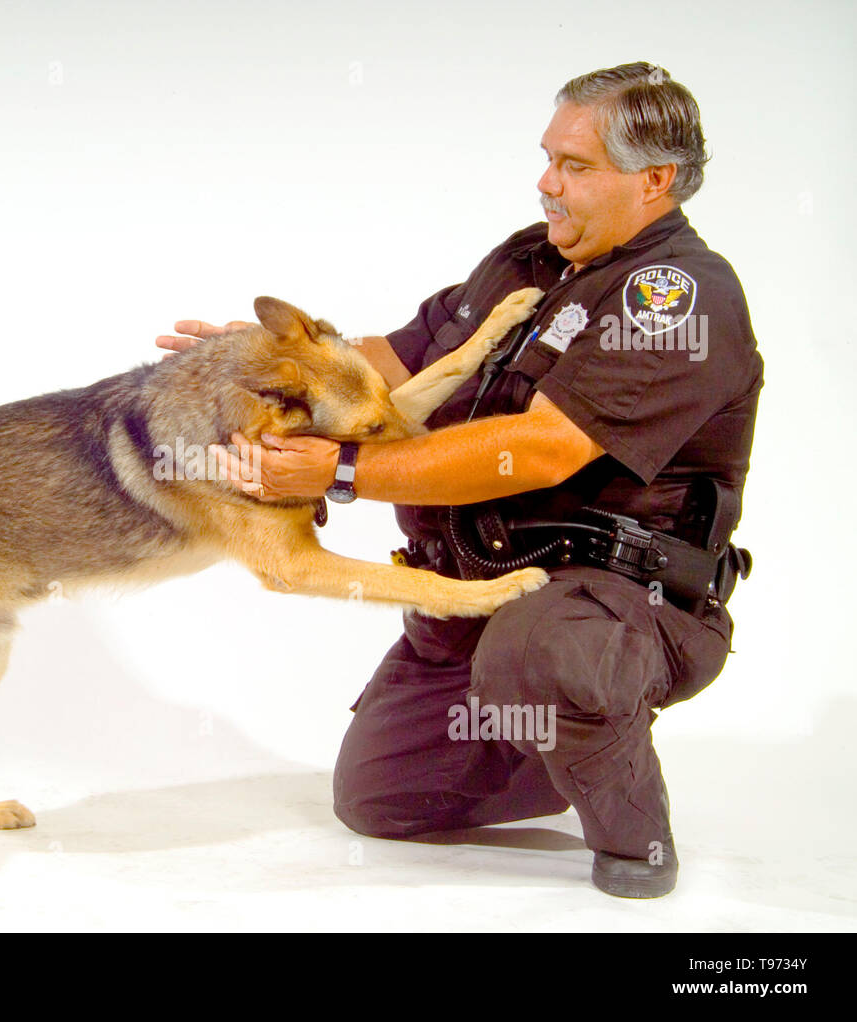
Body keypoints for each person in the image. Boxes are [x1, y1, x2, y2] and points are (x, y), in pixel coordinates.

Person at [156, 62, 763, 898]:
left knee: (545, 656)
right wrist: (280, 366)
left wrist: (342, 468)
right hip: (475, 582)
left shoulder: (676, 297)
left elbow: (545, 449)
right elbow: (396, 358)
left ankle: (632, 837)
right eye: (549, 158)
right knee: (380, 796)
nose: (547, 184)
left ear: (654, 179)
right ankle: (571, 742)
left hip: (607, 597)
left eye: (575, 167)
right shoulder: (531, 258)